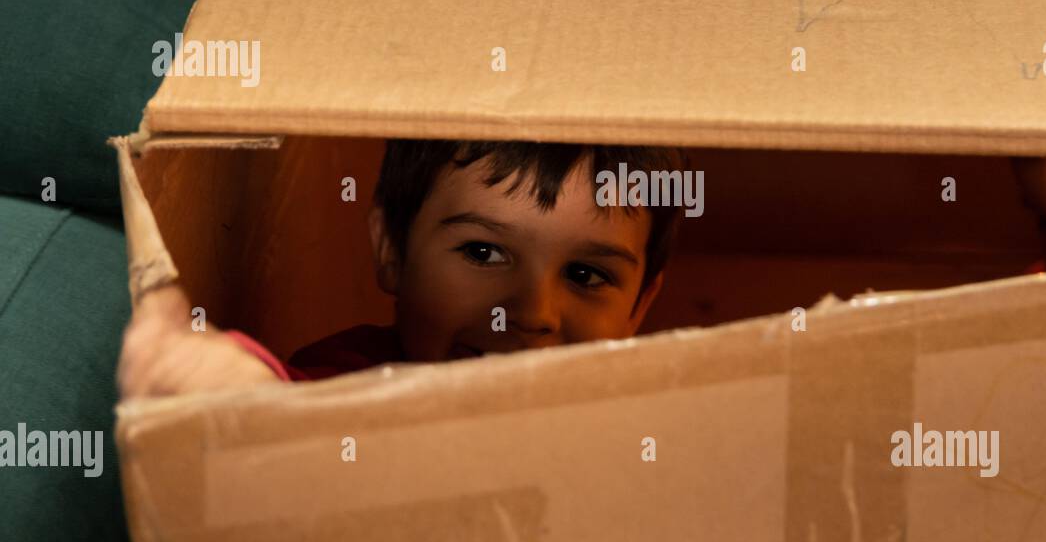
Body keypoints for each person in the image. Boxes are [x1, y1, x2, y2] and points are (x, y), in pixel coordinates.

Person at [118, 139, 689, 395]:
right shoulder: (361, 377)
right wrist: (237, 384)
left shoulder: (638, 424)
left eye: (586, 275)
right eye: (483, 252)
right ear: (392, 249)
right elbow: (293, 413)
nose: (532, 314)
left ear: (640, 304)